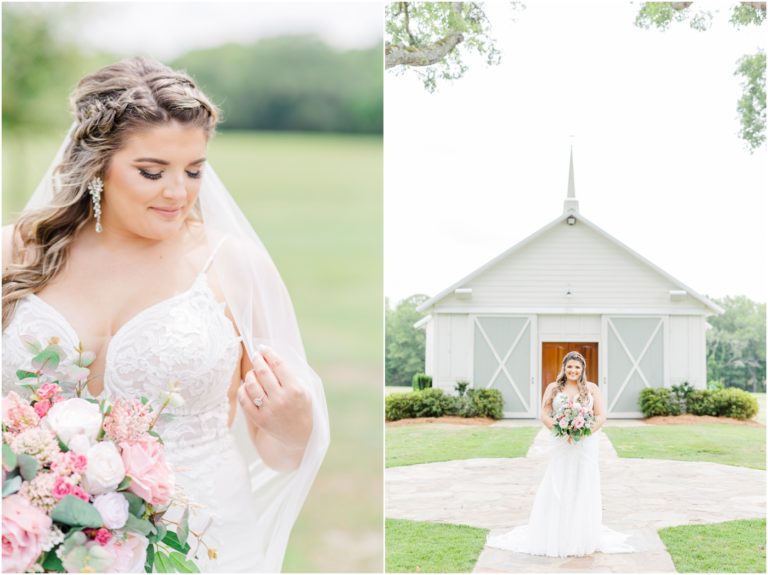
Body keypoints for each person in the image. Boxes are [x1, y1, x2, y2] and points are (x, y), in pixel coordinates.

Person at [2, 57, 330, 572]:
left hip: (202, 542)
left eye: (195, 170)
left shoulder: (234, 267)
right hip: (30, 542)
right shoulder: (16, 255)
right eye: (152, 172)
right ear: (96, 165)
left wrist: (294, 424)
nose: (178, 192)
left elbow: (281, 453)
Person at [486, 351, 632, 557]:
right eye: (569, 367)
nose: (573, 370)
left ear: (583, 370)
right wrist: (560, 429)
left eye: (577, 367)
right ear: (564, 368)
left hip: (585, 445)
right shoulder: (554, 388)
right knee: (559, 482)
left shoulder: (592, 389)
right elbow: (544, 413)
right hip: (561, 443)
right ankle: (555, 533)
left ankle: (581, 535)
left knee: (583, 482)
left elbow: (601, 415)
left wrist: (583, 432)